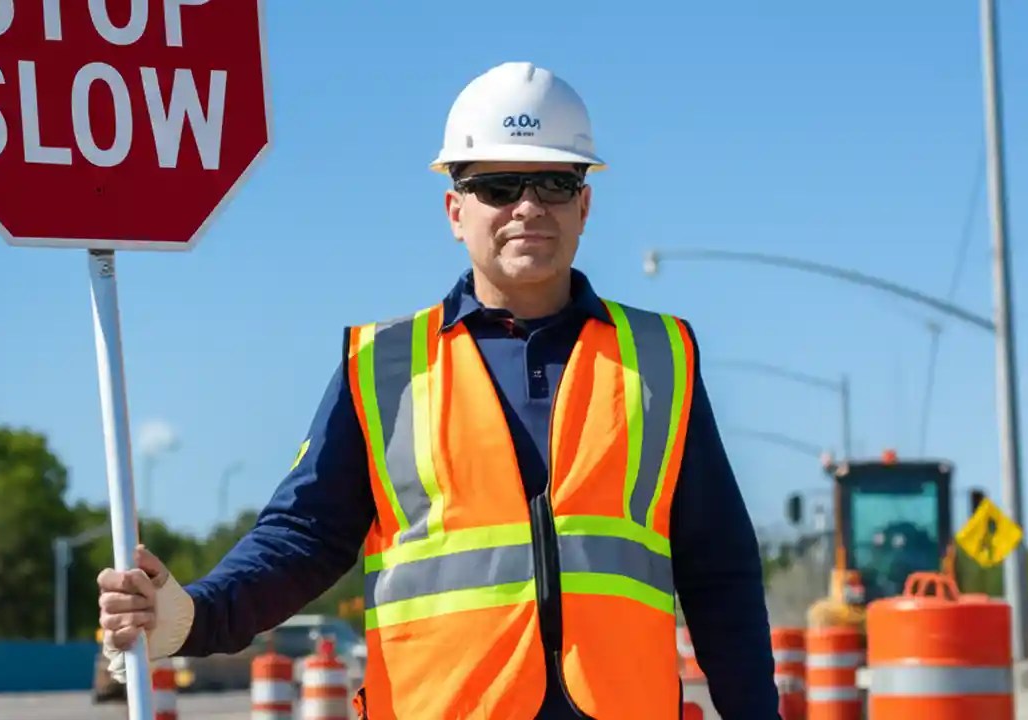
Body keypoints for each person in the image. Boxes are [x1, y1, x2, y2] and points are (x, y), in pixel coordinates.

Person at [97, 61, 780, 719]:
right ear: (456, 210)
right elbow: (303, 537)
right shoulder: (384, 366)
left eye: (553, 184)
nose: (528, 208)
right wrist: (198, 615)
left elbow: (718, 568)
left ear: (585, 204)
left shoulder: (660, 358)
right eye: (498, 187)